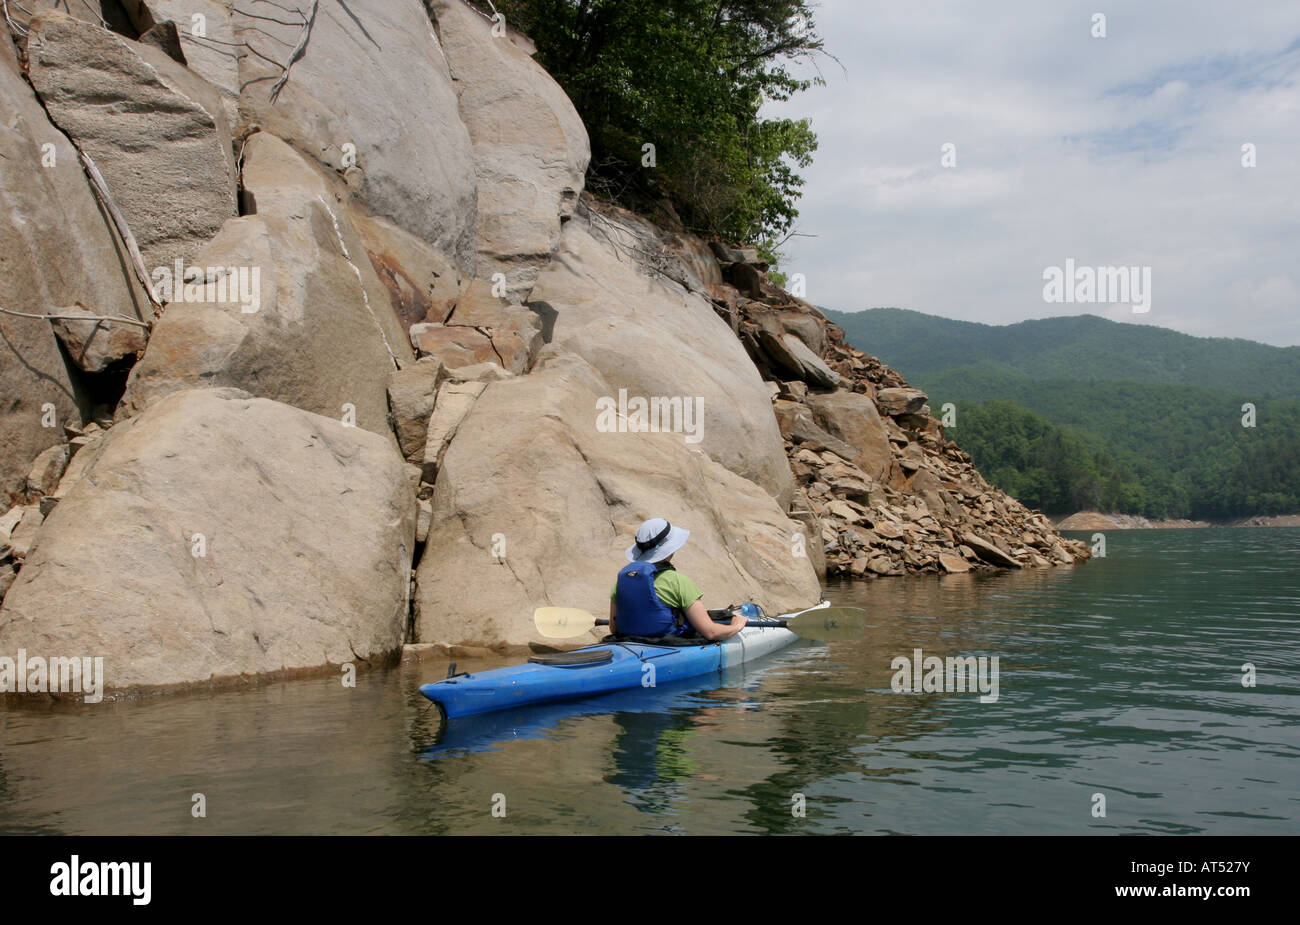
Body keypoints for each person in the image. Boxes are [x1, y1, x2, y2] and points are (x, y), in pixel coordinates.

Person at [609, 518, 748, 642]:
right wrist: (736, 626)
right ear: (669, 549)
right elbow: (711, 632)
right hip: (667, 645)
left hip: (631, 646)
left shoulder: (622, 582)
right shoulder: (678, 582)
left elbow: (614, 629)